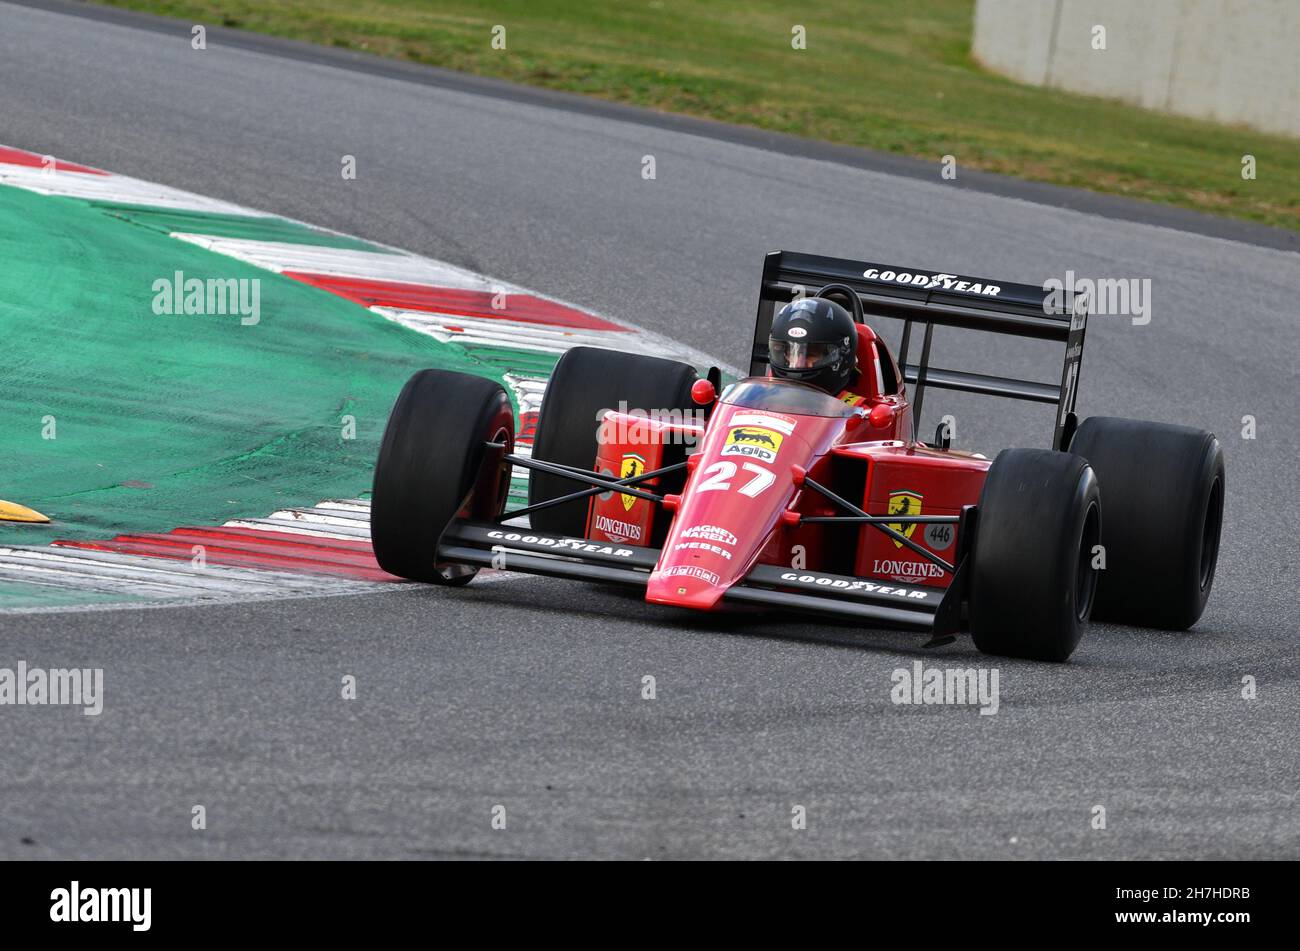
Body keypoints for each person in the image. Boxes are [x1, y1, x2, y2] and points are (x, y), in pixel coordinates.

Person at [766, 296, 864, 403]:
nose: (798, 364)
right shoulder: (758, 400)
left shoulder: (861, 414)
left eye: (810, 354)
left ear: (841, 358)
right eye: (791, 353)